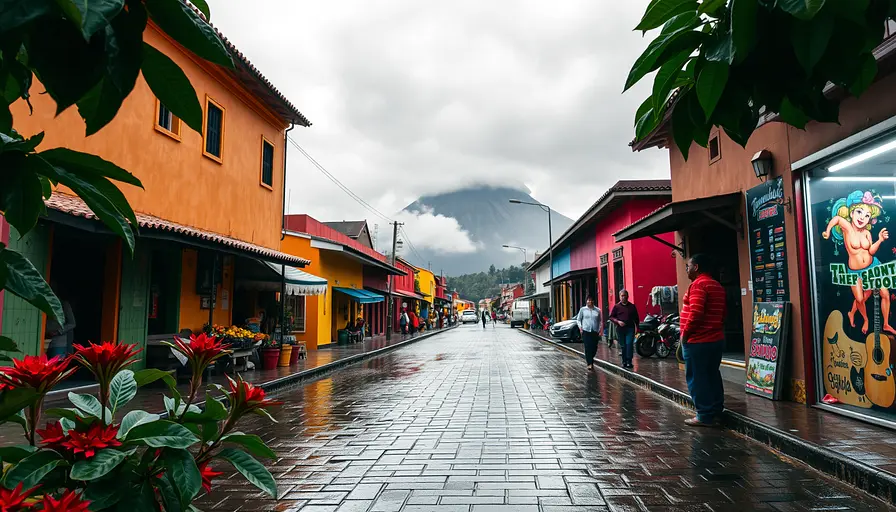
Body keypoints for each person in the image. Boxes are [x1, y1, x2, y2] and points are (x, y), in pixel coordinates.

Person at [822, 190, 892, 334]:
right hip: (855, 272)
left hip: (873, 266)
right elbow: (836, 219)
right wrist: (828, 231)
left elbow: (871, 251)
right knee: (860, 298)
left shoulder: (866, 232)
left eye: (867, 215)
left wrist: (879, 239)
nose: (863, 218)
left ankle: (885, 324)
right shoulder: (847, 228)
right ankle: (865, 319)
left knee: (884, 293)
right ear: (852, 213)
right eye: (859, 212)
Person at [680, 253, 727, 427]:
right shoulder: (717, 285)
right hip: (715, 339)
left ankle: (704, 415)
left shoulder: (698, 285)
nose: (686, 269)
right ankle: (716, 411)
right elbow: (722, 314)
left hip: (698, 341)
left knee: (697, 378)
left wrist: (685, 334)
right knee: (712, 375)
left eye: (688, 266)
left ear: (696, 267)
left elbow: (696, 313)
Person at [609, 289, 639, 369]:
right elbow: (611, 317)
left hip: (630, 328)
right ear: (619, 297)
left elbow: (636, 318)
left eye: (624, 295)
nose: (623, 297)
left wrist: (637, 328)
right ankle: (624, 361)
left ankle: (629, 361)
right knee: (623, 345)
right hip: (620, 329)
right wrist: (618, 321)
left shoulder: (632, 306)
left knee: (629, 344)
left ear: (627, 296)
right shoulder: (617, 307)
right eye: (621, 296)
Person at [574, 296, 602, 370]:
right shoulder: (583, 310)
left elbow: (600, 321)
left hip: (594, 332)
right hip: (586, 331)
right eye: (588, 300)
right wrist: (580, 328)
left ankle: (591, 358)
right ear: (586, 301)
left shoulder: (598, 310)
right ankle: (589, 363)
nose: (590, 302)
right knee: (587, 347)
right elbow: (578, 319)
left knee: (594, 347)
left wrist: (599, 329)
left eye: (591, 300)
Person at [45, 294, 75, 358]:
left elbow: (72, 323)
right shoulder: (45, 302)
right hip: (45, 340)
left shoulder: (64, 304)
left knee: (57, 365)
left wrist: (58, 331)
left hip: (59, 343)